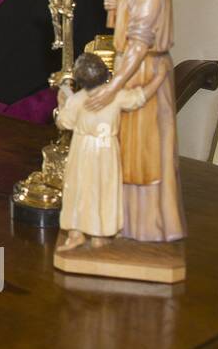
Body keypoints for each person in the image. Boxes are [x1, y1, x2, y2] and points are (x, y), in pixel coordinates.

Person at [88, 0, 185, 242]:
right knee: (128, 155)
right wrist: (120, 10)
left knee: (145, 158)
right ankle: (127, 224)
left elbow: (140, 45)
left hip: (144, 74)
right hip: (134, 69)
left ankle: (147, 228)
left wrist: (112, 88)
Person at [55, 53, 151, 253]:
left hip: (82, 148)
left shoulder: (78, 100)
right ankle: (100, 233)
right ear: (104, 74)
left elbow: (64, 122)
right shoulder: (115, 95)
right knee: (103, 189)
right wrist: (156, 82)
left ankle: (77, 233)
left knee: (80, 189)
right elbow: (138, 98)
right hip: (106, 149)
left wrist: (62, 103)